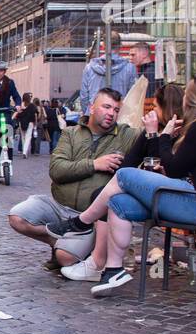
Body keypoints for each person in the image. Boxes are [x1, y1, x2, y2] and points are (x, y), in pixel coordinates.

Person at [48, 75, 196, 297]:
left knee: (125, 175)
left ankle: (81, 222)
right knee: (118, 202)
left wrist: (161, 136)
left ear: (192, 98)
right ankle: (114, 269)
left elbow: (174, 169)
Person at [7, 87, 138, 280]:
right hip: (58, 206)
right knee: (17, 217)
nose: (111, 113)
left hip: (88, 218)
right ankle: (60, 239)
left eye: (116, 110)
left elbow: (149, 140)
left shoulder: (126, 136)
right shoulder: (71, 133)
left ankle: (69, 246)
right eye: (106, 107)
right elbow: (57, 170)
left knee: (64, 258)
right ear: (92, 107)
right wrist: (94, 164)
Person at [81, 45, 137, 109]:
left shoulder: (89, 67)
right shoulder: (130, 67)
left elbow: (84, 96)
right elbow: (134, 94)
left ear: (104, 46)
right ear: (120, 47)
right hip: (120, 112)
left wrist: (88, 113)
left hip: (95, 111)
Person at [15, 92, 37, 157]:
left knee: (23, 137)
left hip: (22, 122)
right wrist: (35, 123)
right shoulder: (32, 105)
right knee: (28, 137)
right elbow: (35, 114)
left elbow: (18, 114)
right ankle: (24, 152)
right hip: (30, 123)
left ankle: (24, 152)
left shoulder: (21, 105)